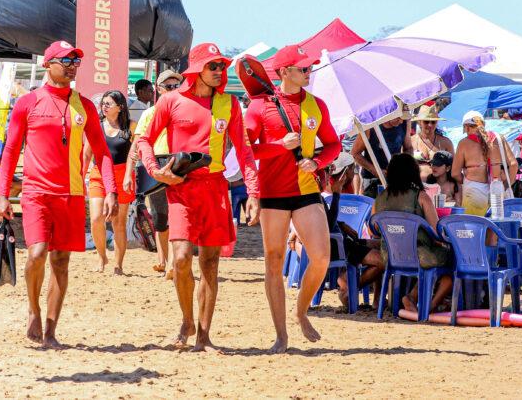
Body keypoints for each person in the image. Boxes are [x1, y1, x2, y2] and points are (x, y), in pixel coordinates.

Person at [137, 42, 260, 352]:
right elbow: (144, 140)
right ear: (197, 70)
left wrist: (254, 193)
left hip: (215, 188)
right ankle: (186, 321)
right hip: (180, 187)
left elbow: (244, 151)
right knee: (180, 260)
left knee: (210, 263)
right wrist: (156, 171)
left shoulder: (230, 104)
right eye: (213, 66)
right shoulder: (171, 100)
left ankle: (204, 336)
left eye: (222, 66)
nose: (220, 72)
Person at [0, 40, 117, 348]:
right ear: (48, 64)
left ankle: (51, 330)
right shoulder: (28, 102)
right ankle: (33, 309)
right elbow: (10, 150)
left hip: (72, 194)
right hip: (36, 192)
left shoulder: (85, 105)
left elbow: (102, 152)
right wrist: (2, 194)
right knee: (37, 254)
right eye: (66, 60)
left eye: (76, 60)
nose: (73, 65)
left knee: (61, 262)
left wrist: (111, 190)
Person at [244, 44, 341, 353]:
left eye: (309, 67)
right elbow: (246, 149)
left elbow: (334, 145)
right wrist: (278, 146)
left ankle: (301, 312)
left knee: (322, 257)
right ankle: (281, 336)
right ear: (284, 72)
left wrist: (318, 162)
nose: (308, 72)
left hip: (307, 191)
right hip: (272, 192)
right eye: (302, 68)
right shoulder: (259, 106)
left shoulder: (317, 105)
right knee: (273, 262)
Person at [374, 153, 453, 312]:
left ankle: (414, 297)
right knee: (452, 260)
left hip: (389, 255)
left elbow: (375, 229)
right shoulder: (421, 197)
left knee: (432, 262)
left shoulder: (381, 197)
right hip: (420, 255)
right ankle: (425, 303)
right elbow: (436, 230)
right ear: (413, 173)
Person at [125, 69, 183, 278]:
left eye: (176, 86)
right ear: (158, 89)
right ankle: (163, 260)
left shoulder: (186, 110)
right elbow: (137, 143)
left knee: (179, 216)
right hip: (156, 166)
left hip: (179, 165)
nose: (173, 90)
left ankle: (173, 264)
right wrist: (128, 174)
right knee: (160, 217)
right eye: (168, 86)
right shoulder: (149, 114)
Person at [318, 152, 386, 312]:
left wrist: (341, 224)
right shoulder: (327, 191)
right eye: (351, 170)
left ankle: (373, 298)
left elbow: (327, 220)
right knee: (385, 259)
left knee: (383, 245)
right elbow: (326, 222)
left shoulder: (318, 188)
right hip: (338, 244)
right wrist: (336, 194)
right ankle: (349, 289)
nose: (353, 173)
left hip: (340, 240)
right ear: (345, 173)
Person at [83, 90, 135, 275]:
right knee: (96, 218)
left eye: (108, 104)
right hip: (98, 175)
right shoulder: (96, 125)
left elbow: (134, 154)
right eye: (103, 103)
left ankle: (118, 264)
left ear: (120, 107)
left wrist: (129, 174)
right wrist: (82, 176)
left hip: (122, 176)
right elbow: (88, 153)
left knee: (118, 223)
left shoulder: (131, 127)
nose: (104, 106)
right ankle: (101, 256)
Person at [452, 111, 518, 217]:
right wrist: (506, 185)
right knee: (495, 228)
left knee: (475, 227)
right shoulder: (499, 138)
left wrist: (467, 179)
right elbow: (513, 164)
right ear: (484, 124)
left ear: (466, 127)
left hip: (474, 190)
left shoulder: (464, 143)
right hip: (497, 188)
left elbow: (455, 173)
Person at [352, 115, 412, 198]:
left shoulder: (404, 123)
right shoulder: (371, 126)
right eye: (398, 117)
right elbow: (355, 154)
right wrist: (376, 171)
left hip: (395, 181)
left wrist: (403, 165)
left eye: (403, 118)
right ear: (391, 113)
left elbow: (408, 148)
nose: (401, 121)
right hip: (372, 183)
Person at [409, 104, 454, 181]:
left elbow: (453, 166)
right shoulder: (410, 142)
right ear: (419, 122)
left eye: (433, 122)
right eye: (426, 122)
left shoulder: (446, 142)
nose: (430, 125)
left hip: (439, 186)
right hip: (416, 186)